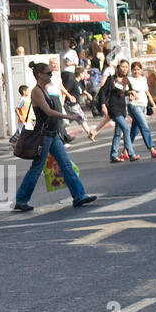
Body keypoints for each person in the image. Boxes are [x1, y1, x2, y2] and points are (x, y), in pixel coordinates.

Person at [13, 62, 97, 213]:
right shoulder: (36, 91)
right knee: (37, 168)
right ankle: (21, 199)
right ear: (39, 75)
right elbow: (48, 111)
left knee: (66, 165)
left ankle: (79, 196)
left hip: (52, 134)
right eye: (48, 73)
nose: (51, 75)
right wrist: (69, 116)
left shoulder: (45, 90)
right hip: (44, 136)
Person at [98, 60, 136, 162]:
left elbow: (128, 91)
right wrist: (103, 105)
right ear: (118, 67)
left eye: (126, 67)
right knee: (126, 129)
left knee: (118, 133)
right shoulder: (111, 79)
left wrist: (131, 94)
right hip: (113, 108)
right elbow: (102, 92)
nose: (125, 69)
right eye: (123, 67)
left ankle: (113, 155)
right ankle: (131, 154)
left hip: (122, 109)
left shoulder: (126, 80)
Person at [126, 61, 156, 159]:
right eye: (134, 70)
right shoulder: (129, 79)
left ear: (141, 70)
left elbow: (147, 92)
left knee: (134, 130)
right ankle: (152, 149)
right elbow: (127, 91)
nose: (136, 72)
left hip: (143, 106)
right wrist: (130, 94)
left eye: (138, 69)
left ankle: (125, 151)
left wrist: (153, 104)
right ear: (131, 70)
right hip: (134, 105)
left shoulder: (143, 79)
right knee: (144, 127)